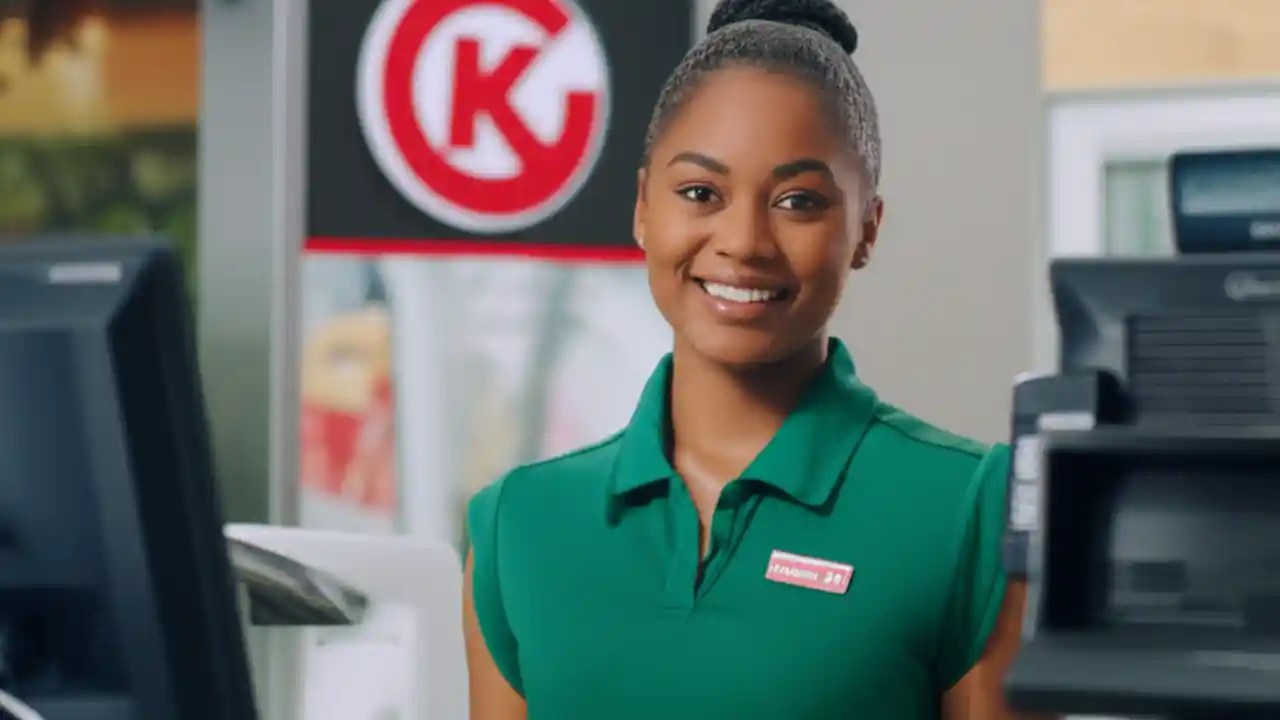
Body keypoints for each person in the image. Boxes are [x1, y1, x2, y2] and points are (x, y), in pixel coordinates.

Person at [463, 0, 1032, 717]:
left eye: (798, 201)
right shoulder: (519, 525)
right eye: (700, 192)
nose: (744, 242)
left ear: (866, 229)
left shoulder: (971, 509)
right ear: (644, 208)